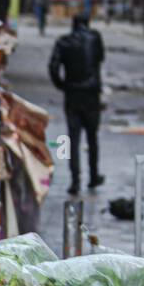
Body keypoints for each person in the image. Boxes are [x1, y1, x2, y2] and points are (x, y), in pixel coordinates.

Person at [48, 13, 106, 196]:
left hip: (72, 93)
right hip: (91, 93)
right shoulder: (95, 38)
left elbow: (53, 66)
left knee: (73, 138)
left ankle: (75, 180)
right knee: (92, 137)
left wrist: (62, 85)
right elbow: (100, 58)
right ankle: (94, 175)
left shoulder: (64, 42)